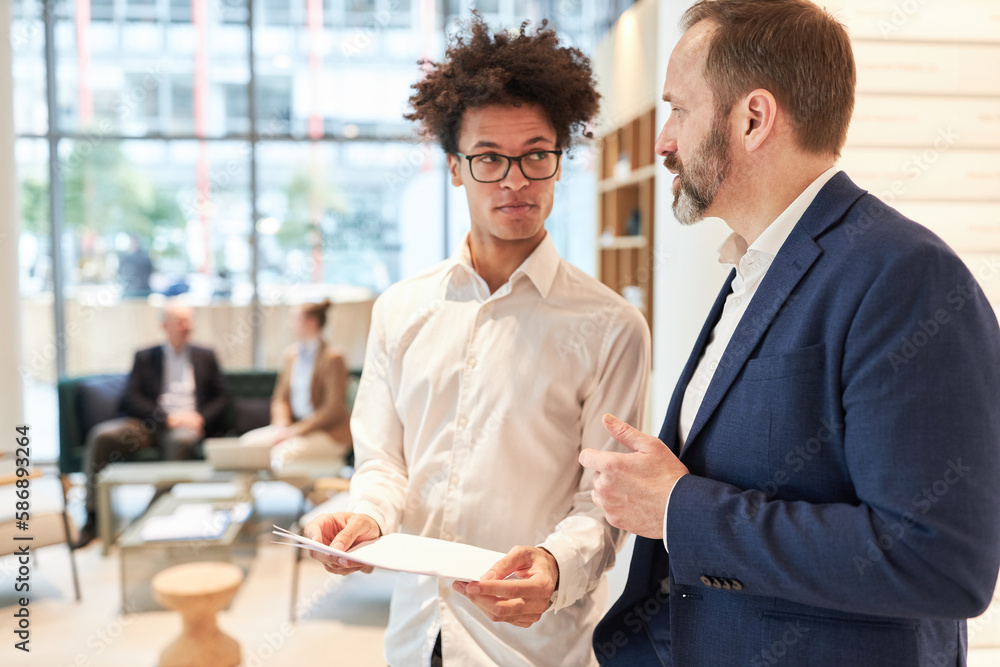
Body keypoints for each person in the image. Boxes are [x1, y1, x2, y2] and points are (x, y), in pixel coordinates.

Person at [581, 1, 1000, 665]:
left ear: (753, 118)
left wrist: (679, 509)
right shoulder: (755, 264)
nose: (664, 139)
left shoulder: (907, 277)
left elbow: (938, 558)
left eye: (679, 110)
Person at [304, 15, 651, 667]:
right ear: (456, 168)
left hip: (535, 644)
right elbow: (384, 463)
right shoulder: (401, 310)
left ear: (559, 160)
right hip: (418, 629)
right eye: (490, 157)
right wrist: (368, 518)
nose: (515, 179)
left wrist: (552, 564)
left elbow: (603, 504)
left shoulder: (612, 328)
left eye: (535, 155)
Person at [74, 301, 229, 548]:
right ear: (164, 325)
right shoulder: (145, 357)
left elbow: (221, 397)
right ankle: (93, 517)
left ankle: (149, 514)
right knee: (103, 436)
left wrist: (200, 417)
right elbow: (132, 398)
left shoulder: (205, 356)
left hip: (185, 427)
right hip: (148, 424)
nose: (186, 326)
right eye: (180, 321)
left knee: (182, 442)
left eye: (189, 320)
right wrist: (165, 418)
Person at [237, 299, 352, 468]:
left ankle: (306, 493)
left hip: (328, 433)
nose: (289, 324)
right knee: (247, 446)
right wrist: (282, 426)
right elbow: (280, 397)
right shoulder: (291, 355)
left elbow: (333, 408)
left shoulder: (333, 358)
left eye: (294, 319)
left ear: (312, 322)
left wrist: (296, 431)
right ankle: (247, 493)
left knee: (282, 454)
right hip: (293, 428)